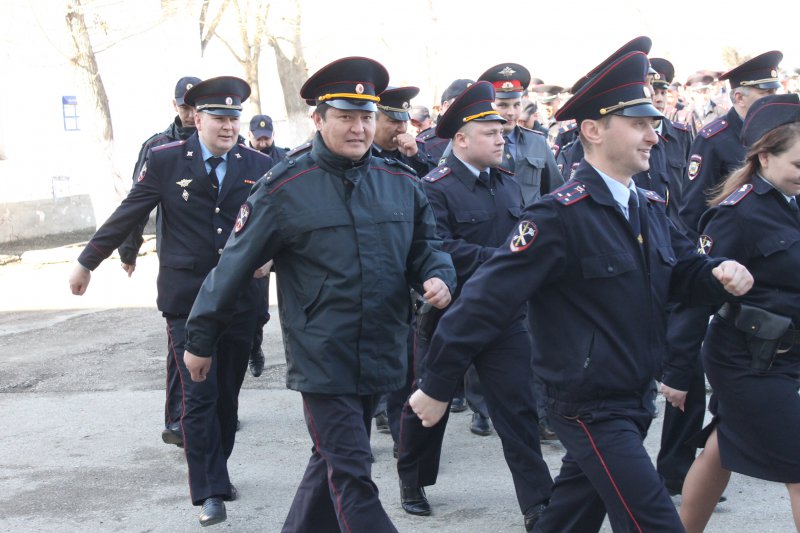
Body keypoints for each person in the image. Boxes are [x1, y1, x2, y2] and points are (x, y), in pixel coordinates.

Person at [408, 49, 754, 532]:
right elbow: (488, 298)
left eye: (654, 122)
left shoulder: (649, 206)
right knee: (654, 520)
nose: (654, 134)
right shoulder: (558, 216)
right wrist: (438, 382)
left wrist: (718, 274)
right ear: (593, 130)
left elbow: (682, 275)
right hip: (588, 402)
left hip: (634, 395)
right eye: (638, 123)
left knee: (569, 517)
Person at [181, 56, 456, 533]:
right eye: (345, 116)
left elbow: (427, 248)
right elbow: (234, 265)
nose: (358, 128)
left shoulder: (400, 184)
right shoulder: (284, 187)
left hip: (381, 347)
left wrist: (437, 275)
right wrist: (200, 338)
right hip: (322, 354)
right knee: (353, 472)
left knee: (329, 461)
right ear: (318, 118)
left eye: (366, 116)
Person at [68, 76, 273, 527]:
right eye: (219, 118)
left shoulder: (259, 164)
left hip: (241, 299)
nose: (228, 126)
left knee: (226, 397)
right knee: (198, 394)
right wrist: (88, 262)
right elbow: (129, 212)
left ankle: (216, 466)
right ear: (197, 118)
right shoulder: (164, 161)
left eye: (233, 118)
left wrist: (269, 258)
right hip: (187, 300)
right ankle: (210, 489)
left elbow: (281, 222)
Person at [396, 81, 553, 527]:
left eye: (502, 130)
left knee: (517, 408)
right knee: (431, 404)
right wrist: (505, 262)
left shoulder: (505, 184)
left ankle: (537, 501)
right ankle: (413, 479)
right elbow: (438, 247)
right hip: (450, 315)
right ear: (461, 139)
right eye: (490, 131)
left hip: (503, 317)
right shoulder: (435, 188)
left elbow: (521, 237)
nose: (502, 137)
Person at [662, 93, 800, 532]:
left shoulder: (793, 201)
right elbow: (694, 293)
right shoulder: (737, 214)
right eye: (798, 164)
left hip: (786, 351)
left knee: (722, 447)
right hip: (746, 360)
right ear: (763, 156)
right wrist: (677, 371)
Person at [113, 75, 202, 444]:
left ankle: (212, 409)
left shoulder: (227, 140)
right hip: (176, 257)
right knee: (179, 341)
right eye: (185, 106)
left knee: (218, 338)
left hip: (217, 258)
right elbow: (137, 201)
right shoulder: (158, 145)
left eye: (196, 107)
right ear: (175, 106)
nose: (190, 112)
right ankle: (178, 419)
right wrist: (129, 249)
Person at [678, 50, 783, 240]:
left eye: (774, 91)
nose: (773, 99)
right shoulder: (712, 140)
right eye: (765, 93)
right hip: (734, 251)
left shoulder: (779, 132)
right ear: (739, 98)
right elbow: (693, 211)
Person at [245, 113, 286, 379]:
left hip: (278, 239)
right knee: (248, 303)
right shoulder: (241, 160)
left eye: (266, 137)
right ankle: (250, 348)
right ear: (249, 136)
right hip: (250, 238)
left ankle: (254, 345)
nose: (262, 141)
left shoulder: (285, 158)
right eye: (258, 137)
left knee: (260, 308)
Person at [372, 85, 435, 176]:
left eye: (405, 121)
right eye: (394, 121)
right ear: (372, 120)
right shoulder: (358, 150)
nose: (403, 129)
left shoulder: (417, 147)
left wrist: (415, 157)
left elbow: (432, 184)